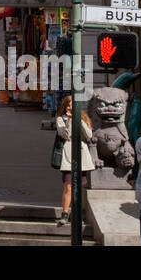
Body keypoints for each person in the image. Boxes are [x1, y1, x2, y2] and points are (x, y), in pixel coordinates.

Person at [54, 96, 95, 226]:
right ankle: (65, 213)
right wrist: (70, 121)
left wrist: (78, 120)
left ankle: (79, 212)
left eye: (72, 105)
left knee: (80, 186)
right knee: (68, 185)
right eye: (68, 105)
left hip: (81, 155)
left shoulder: (84, 118)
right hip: (68, 155)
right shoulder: (61, 119)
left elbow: (89, 136)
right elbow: (65, 135)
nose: (70, 107)